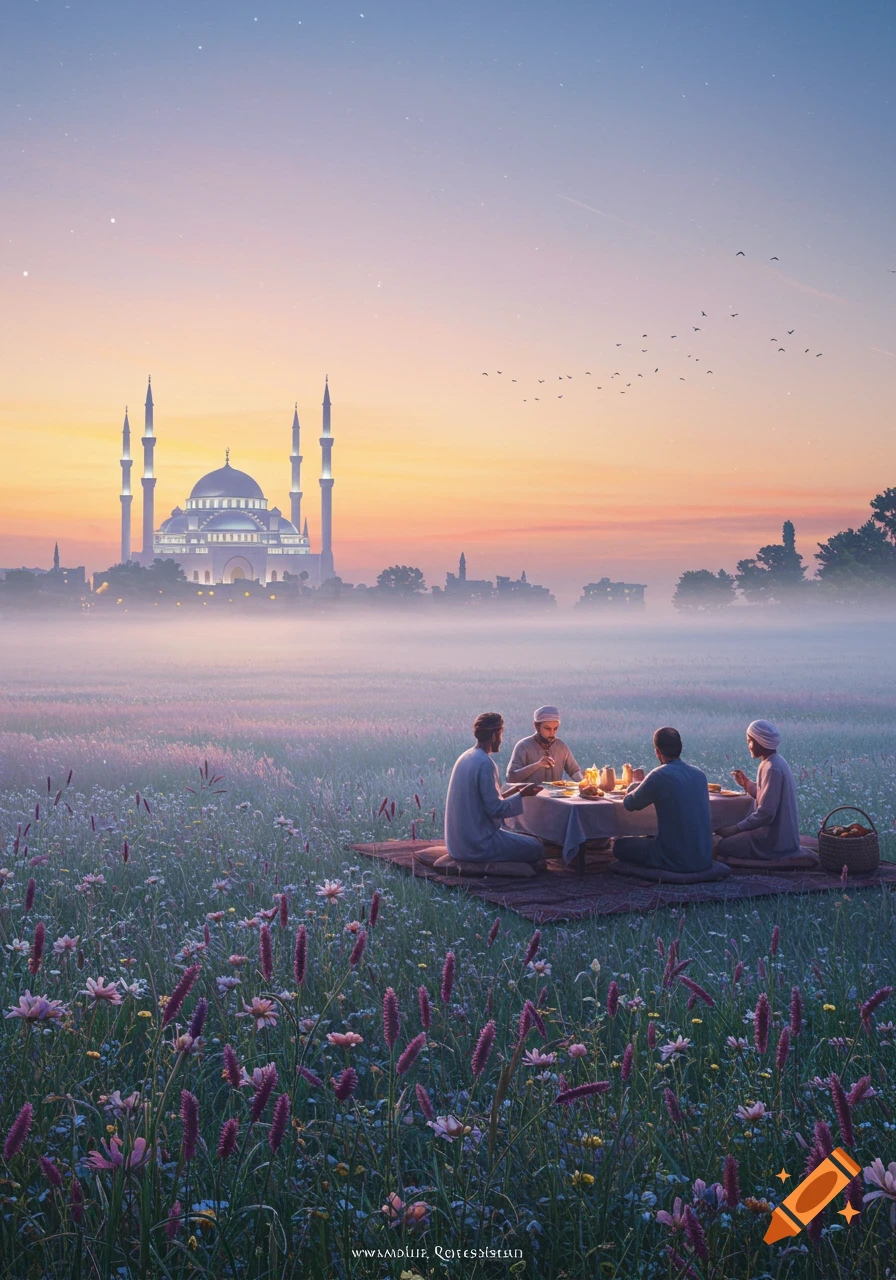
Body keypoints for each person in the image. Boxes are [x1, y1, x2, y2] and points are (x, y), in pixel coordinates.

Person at [445, 712, 546, 864]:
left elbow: (486, 800)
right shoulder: (485, 763)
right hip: (478, 845)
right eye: (501, 734)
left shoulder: (466, 756)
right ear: (494, 736)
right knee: (537, 846)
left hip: (457, 844)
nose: (501, 740)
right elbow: (496, 809)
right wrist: (523, 795)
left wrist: (517, 790)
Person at [613, 727, 713, 872]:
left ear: (657, 752)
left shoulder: (659, 775)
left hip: (674, 858)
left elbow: (630, 804)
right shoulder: (700, 775)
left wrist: (633, 785)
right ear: (681, 748)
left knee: (619, 846)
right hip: (703, 859)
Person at [715, 720, 801, 860]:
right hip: (780, 836)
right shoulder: (773, 762)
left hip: (774, 840)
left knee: (722, 846)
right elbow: (766, 796)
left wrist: (735, 828)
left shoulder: (772, 768)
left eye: (750, 741)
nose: (748, 746)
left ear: (761, 742)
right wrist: (747, 784)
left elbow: (766, 813)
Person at [506, 706, 585, 784]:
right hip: (531, 796)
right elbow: (511, 778)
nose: (552, 733)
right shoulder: (523, 746)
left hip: (556, 796)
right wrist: (538, 765)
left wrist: (585, 783)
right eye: (547, 728)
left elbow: (574, 771)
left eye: (555, 728)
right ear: (536, 726)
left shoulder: (561, 746)